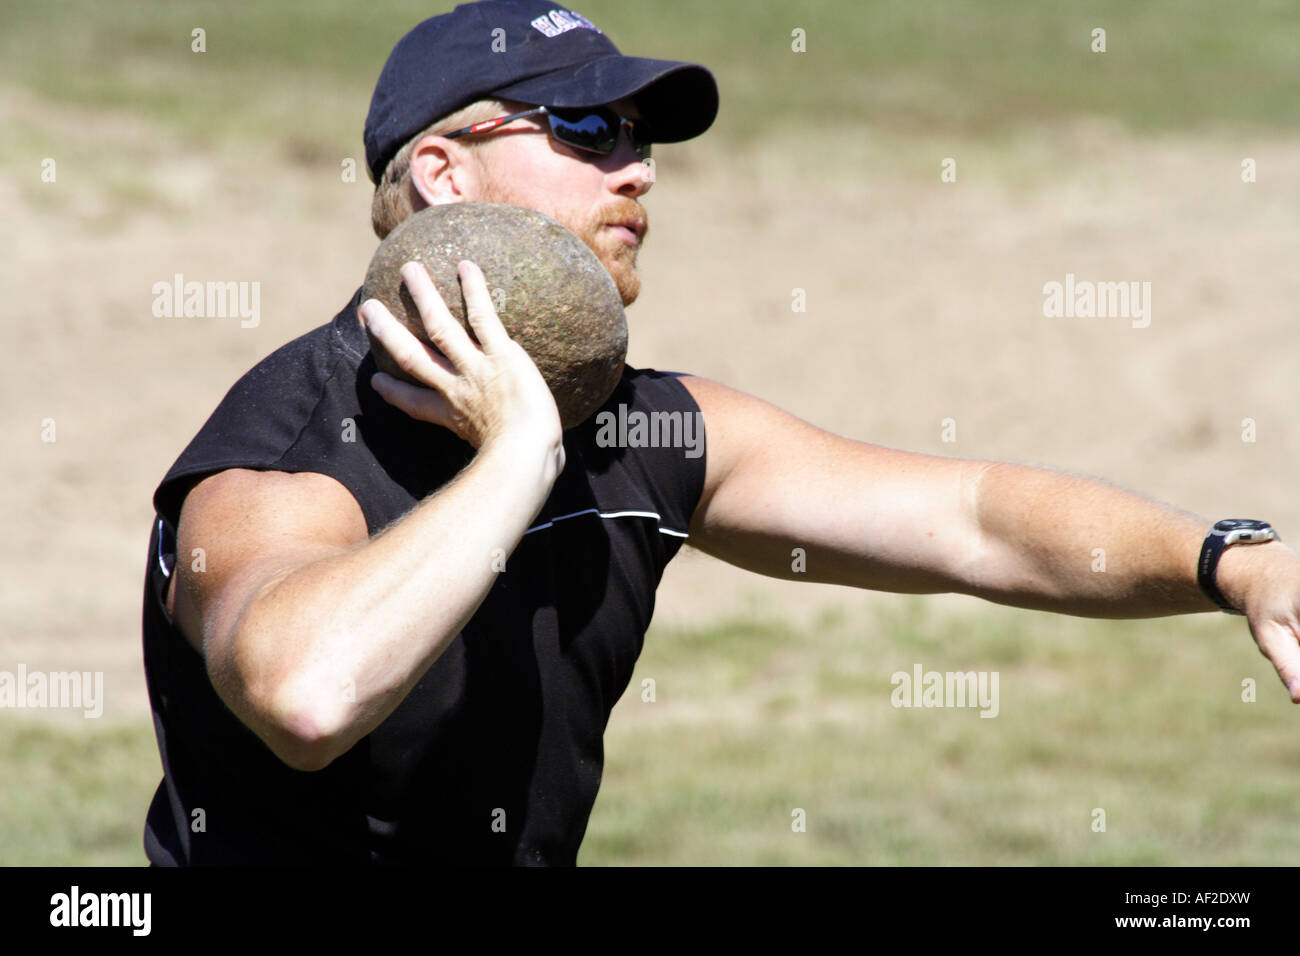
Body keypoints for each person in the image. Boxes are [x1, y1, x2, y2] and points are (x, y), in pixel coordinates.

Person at [141, 0, 1300, 866]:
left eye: (640, 134)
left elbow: (971, 521)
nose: (637, 168)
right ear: (443, 171)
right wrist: (516, 455)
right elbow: (304, 694)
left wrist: (1234, 561)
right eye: (587, 127)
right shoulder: (287, 443)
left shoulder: (645, 426)